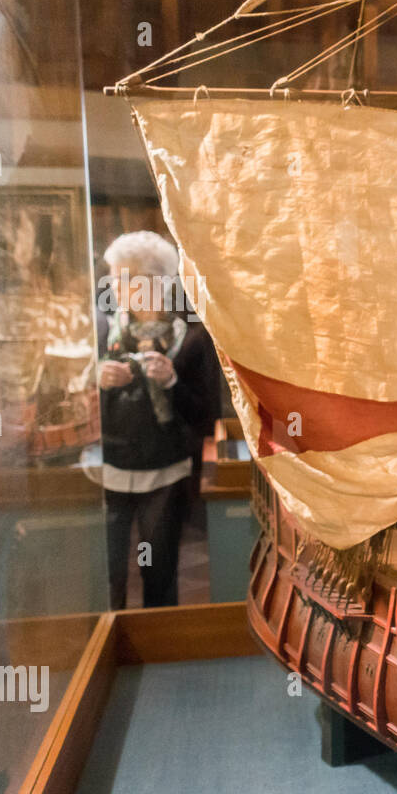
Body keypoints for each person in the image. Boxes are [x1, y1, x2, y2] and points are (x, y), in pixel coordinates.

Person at [97, 231, 221, 608]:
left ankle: (158, 653)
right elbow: (70, 406)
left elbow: (206, 415)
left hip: (167, 472)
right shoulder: (102, 332)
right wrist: (98, 381)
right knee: (109, 574)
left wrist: (171, 381)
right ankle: (113, 650)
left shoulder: (193, 339)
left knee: (160, 570)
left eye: (120, 278)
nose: (112, 287)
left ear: (150, 283)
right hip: (109, 469)